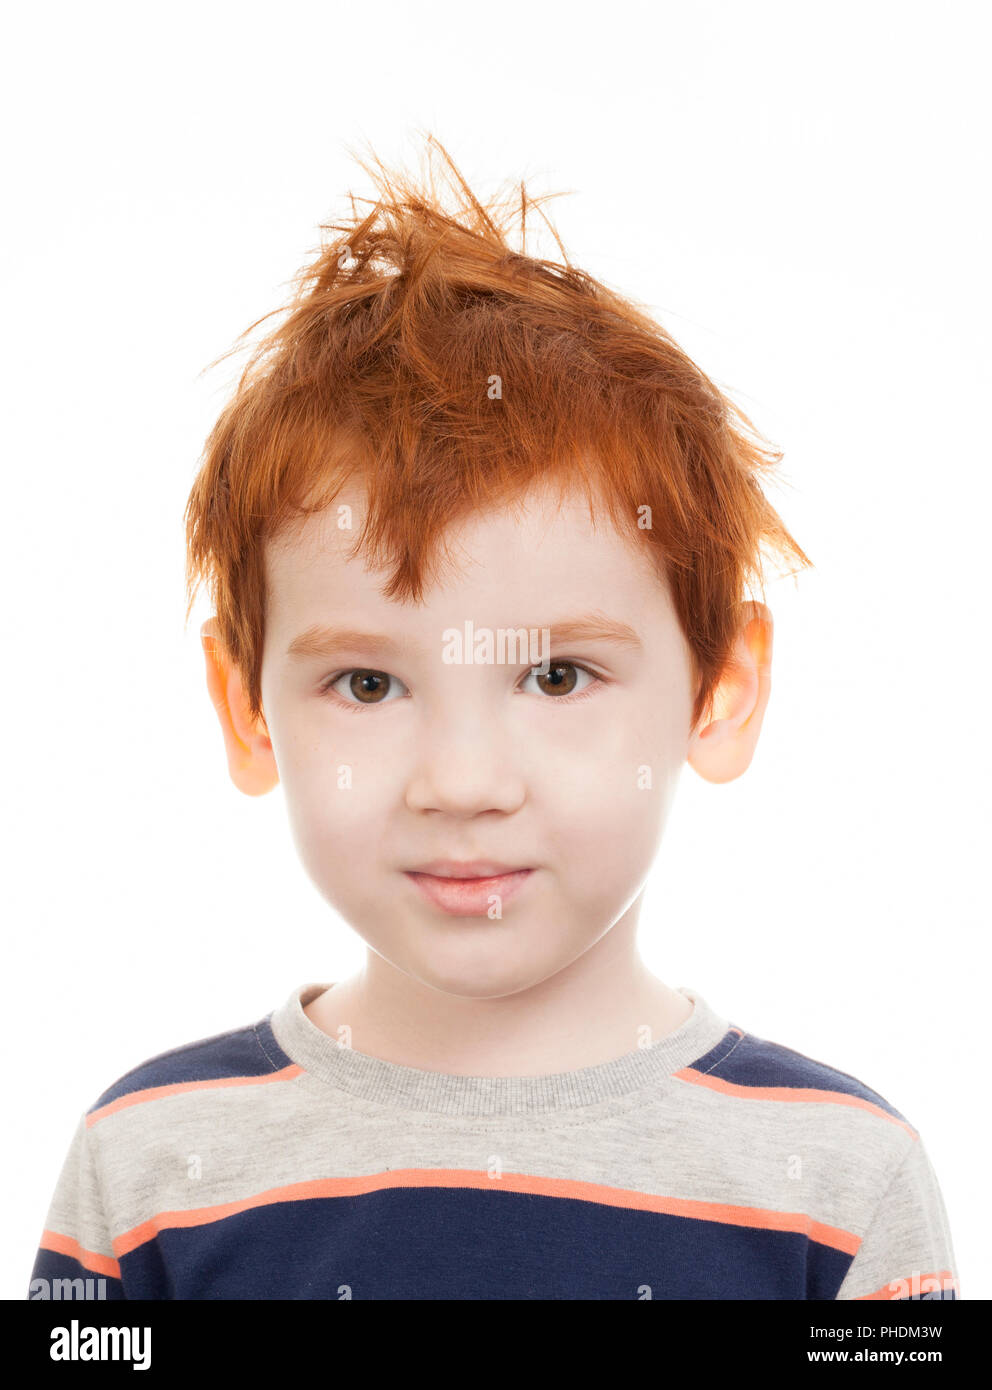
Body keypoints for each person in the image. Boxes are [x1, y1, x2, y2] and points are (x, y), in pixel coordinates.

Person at [28, 136, 958, 1301]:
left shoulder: (839, 1187)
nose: (462, 782)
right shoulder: (147, 1169)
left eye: (558, 676)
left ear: (719, 690)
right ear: (245, 709)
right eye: (367, 684)